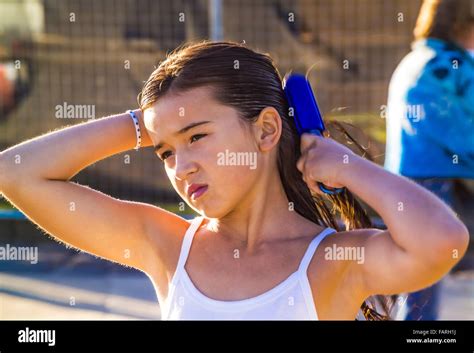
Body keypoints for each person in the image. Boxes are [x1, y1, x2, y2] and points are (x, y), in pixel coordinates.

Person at [0, 40, 469, 320]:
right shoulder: (166, 246)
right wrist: (142, 124)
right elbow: (16, 174)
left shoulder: (332, 261)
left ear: (266, 129)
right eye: (165, 152)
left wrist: (348, 167)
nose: (180, 166)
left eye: (198, 136)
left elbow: (442, 240)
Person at [384, 0, 474, 320]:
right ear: (464, 25)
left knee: (418, 282)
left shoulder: (414, 61)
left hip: (404, 182)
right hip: (441, 184)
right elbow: (464, 129)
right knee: (424, 279)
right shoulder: (451, 65)